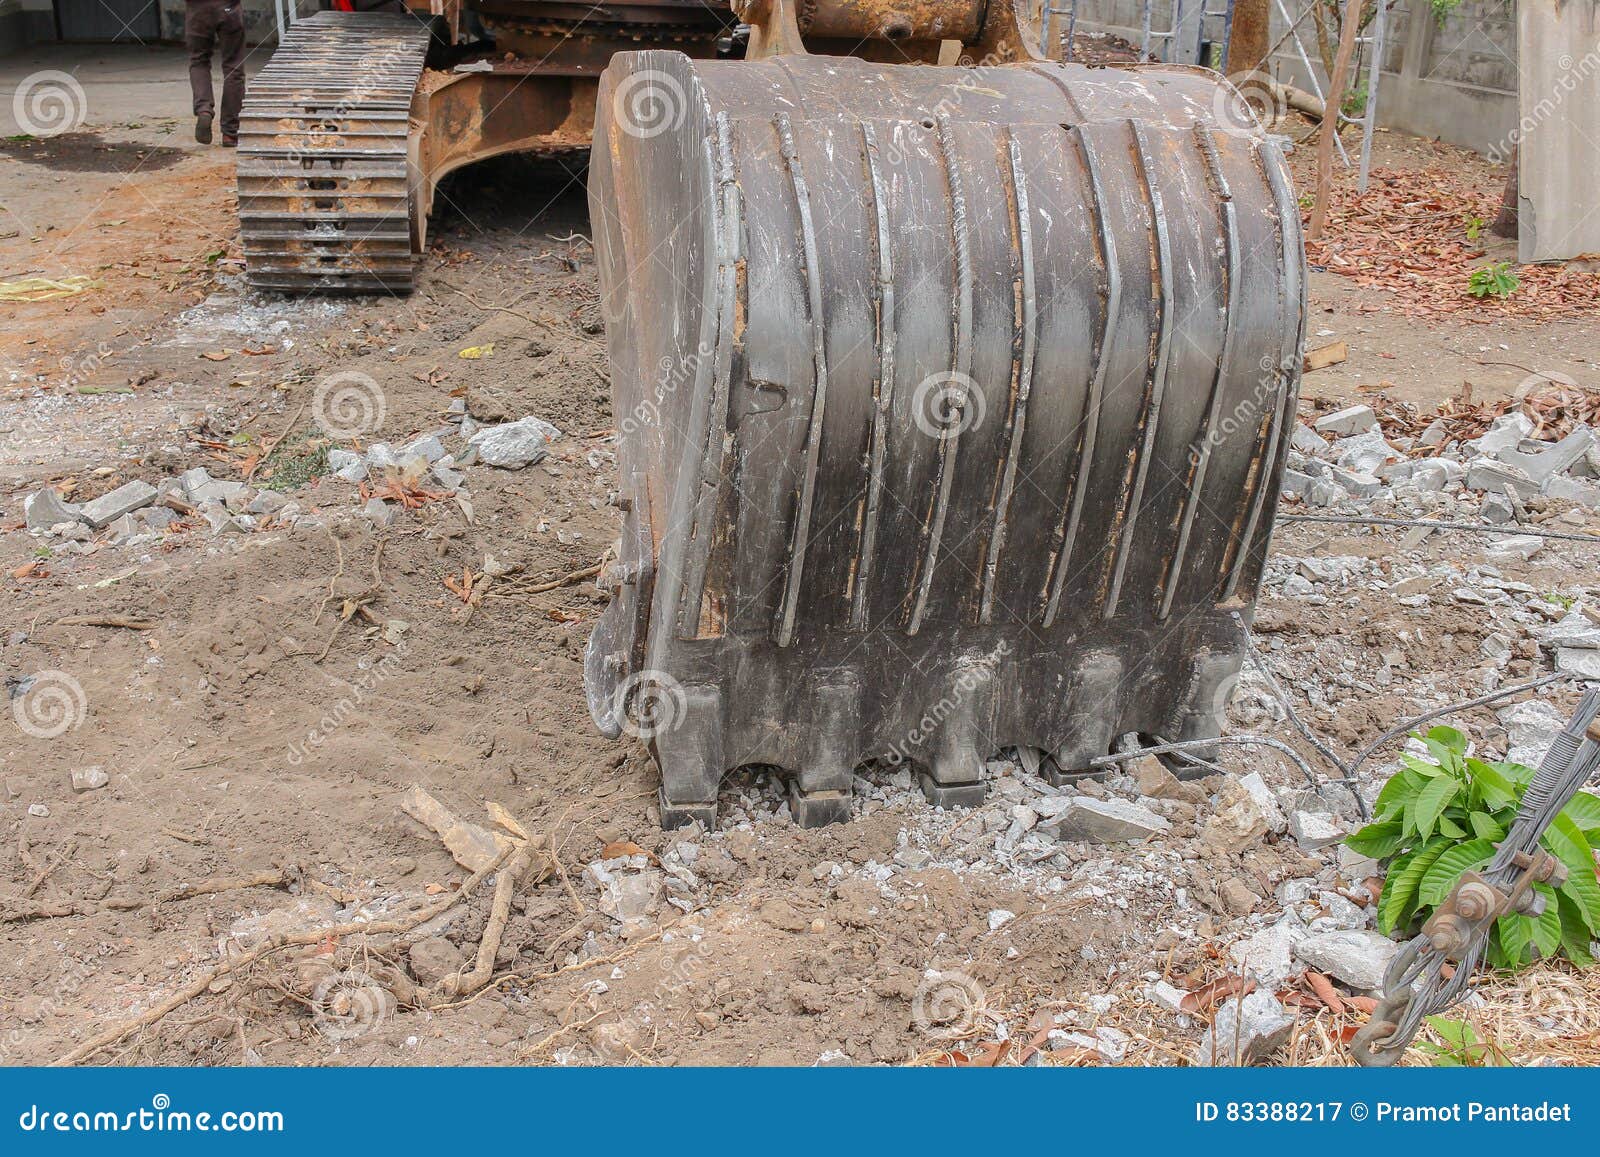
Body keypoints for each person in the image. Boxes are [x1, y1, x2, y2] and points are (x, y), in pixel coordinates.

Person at [186, 0, 245, 147]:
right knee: (233, 67)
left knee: (199, 62)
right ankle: (230, 133)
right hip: (229, 9)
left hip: (197, 10)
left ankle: (203, 110)